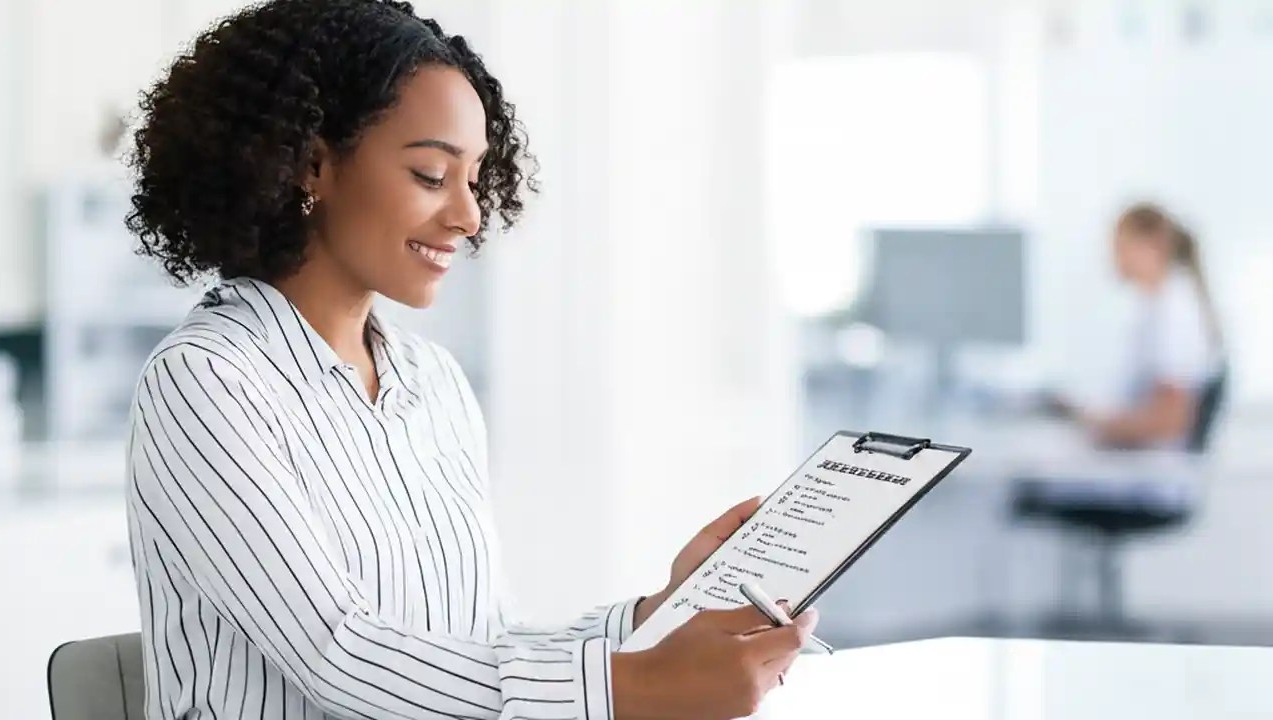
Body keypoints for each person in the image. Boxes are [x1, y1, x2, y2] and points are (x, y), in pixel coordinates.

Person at [121, 2, 816, 719]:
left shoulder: (433, 385)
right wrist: (638, 687)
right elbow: (342, 657)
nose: (469, 215)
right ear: (312, 165)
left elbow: (476, 650)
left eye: (474, 177)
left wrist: (658, 615)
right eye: (430, 174)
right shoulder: (206, 382)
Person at [1056, 203, 1224, 449]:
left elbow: (1170, 422)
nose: (1113, 257)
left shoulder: (1176, 313)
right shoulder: (1157, 305)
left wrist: (1097, 423)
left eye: (1120, 246)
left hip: (1154, 469)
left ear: (1152, 245)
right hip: (1140, 461)